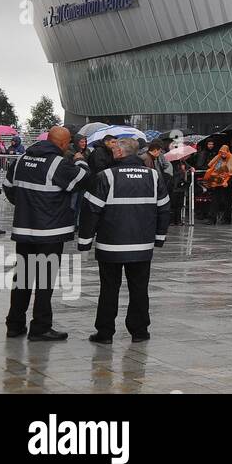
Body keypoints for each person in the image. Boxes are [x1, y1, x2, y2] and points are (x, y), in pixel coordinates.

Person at [77, 137, 170, 343]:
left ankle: (105, 332)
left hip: (111, 245)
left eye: (114, 148)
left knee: (109, 289)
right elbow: (164, 208)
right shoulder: (153, 177)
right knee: (139, 289)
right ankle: (139, 331)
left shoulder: (106, 176)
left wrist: (84, 241)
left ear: (119, 153)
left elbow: (90, 210)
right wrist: (159, 238)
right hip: (142, 245)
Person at [2, 126, 89, 341]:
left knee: (22, 276)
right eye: (68, 143)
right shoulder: (58, 163)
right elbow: (83, 180)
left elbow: (8, 187)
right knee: (44, 280)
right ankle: (40, 327)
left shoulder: (21, 159)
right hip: (51, 232)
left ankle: (14, 324)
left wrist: (24, 206)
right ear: (61, 143)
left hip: (24, 229)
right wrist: (80, 160)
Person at [201, 144, 232, 224]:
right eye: (221, 153)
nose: (222, 154)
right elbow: (215, 169)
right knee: (215, 200)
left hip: (228, 182)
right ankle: (212, 219)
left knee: (227, 201)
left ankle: (226, 219)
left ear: (227, 152)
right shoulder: (219, 158)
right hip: (218, 182)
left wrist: (227, 182)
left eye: (224, 153)